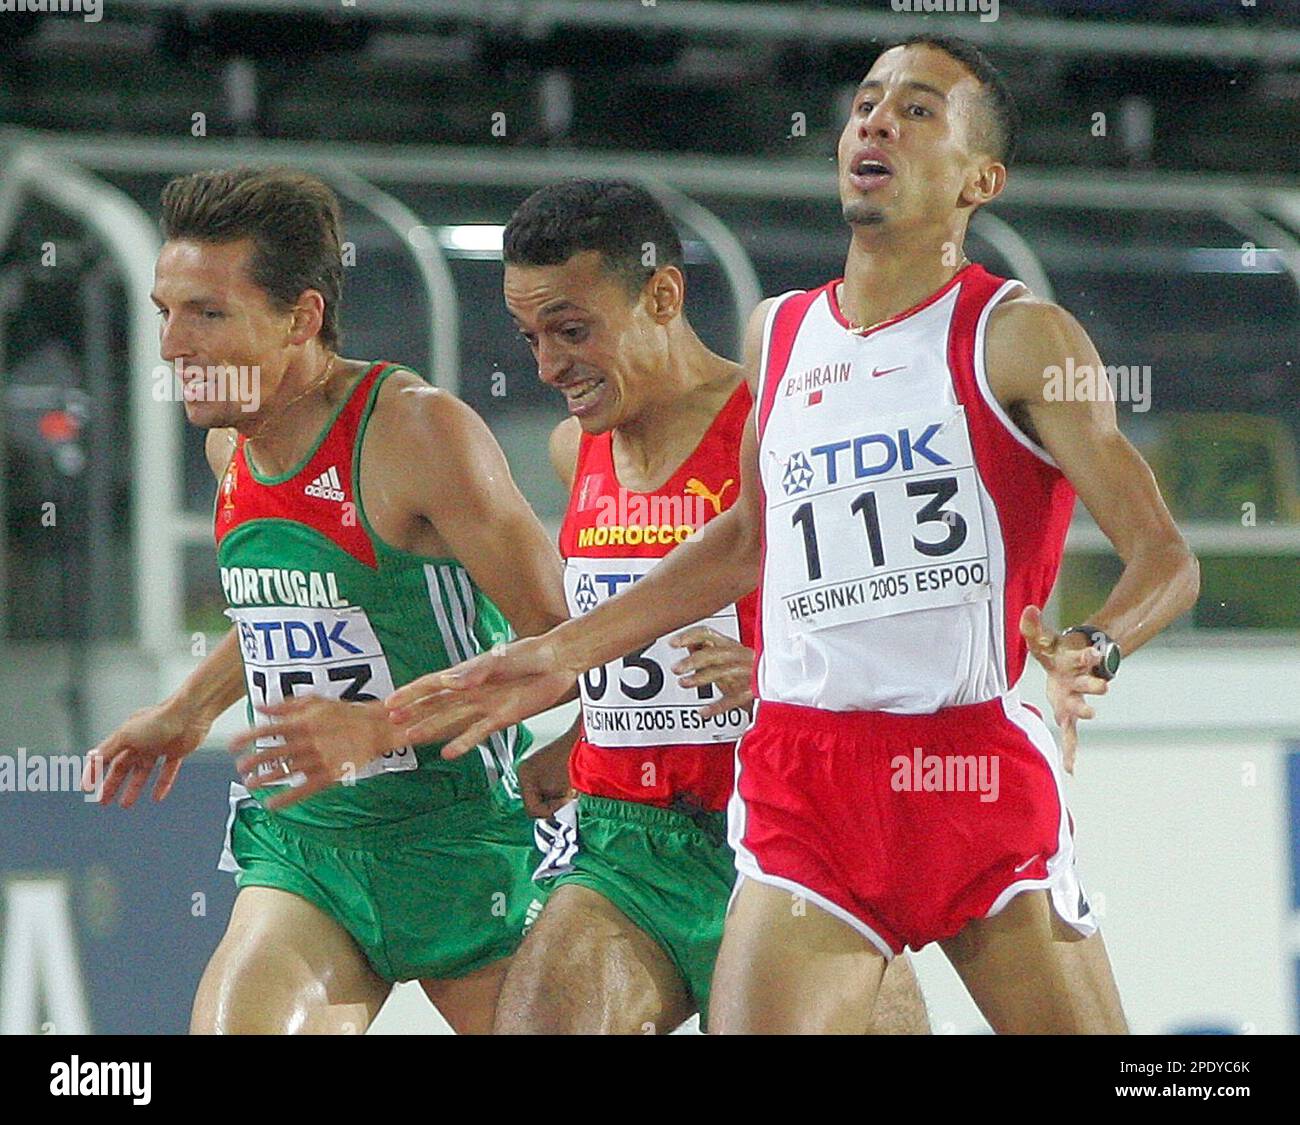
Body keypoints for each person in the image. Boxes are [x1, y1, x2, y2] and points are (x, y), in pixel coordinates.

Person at [385, 36, 1200, 1034]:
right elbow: (743, 544)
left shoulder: (1018, 337)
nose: (876, 122)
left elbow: (1166, 556)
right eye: (866, 103)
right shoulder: (783, 331)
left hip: (965, 768)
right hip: (803, 781)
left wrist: (1096, 644)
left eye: (917, 110)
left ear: (979, 179)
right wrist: (558, 652)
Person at [247, 178, 930, 1034]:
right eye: (529, 336)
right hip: (621, 846)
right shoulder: (579, 450)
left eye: (572, 330)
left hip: (780, 838)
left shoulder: (783, 426)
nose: (546, 366)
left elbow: (900, 626)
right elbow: (596, 638)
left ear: (664, 295)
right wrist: (575, 741)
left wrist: (779, 674)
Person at [82, 166, 567, 1034]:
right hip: (307, 850)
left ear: (301, 317)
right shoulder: (230, 447)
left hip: (463, 843)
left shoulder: (417, 431)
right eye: (166, 312)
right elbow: (294, 608)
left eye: (208, 313)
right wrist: (189, 709)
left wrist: (381, 729)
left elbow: (563, 647)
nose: (171, 345)